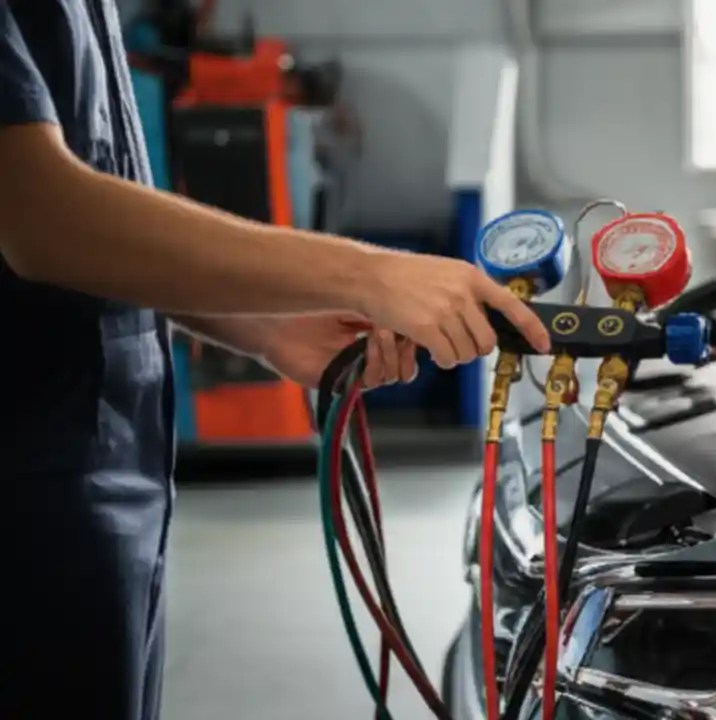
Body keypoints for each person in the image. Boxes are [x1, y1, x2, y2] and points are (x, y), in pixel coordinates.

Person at [0, 2, 551, 718]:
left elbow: (102, 218)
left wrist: (263, 327)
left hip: (106, 483)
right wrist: (368, 274)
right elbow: (38, 215)